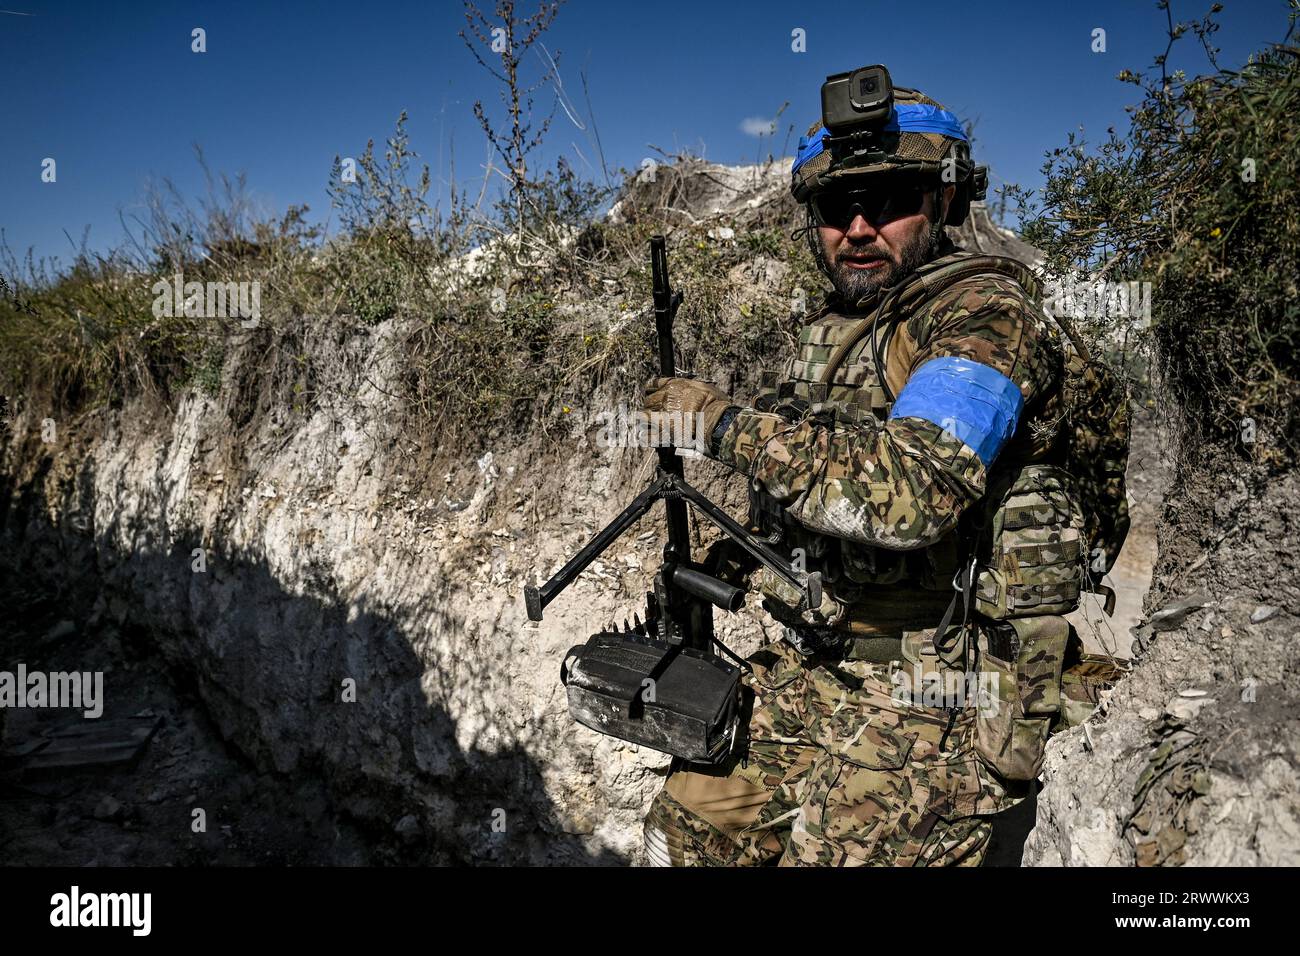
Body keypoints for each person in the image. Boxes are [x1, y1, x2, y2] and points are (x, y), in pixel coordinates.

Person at [639, 71, 1094, 866]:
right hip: (820, 658)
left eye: (888, 200)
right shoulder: (838, 329)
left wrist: (722, 425)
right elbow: (819, 485)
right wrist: (735, 556)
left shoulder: (983, 316)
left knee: (832, 853)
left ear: (945, 200)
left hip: (945, 677)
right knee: (691, 827)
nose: (856, 227)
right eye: (833, 208)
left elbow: (910, 495)